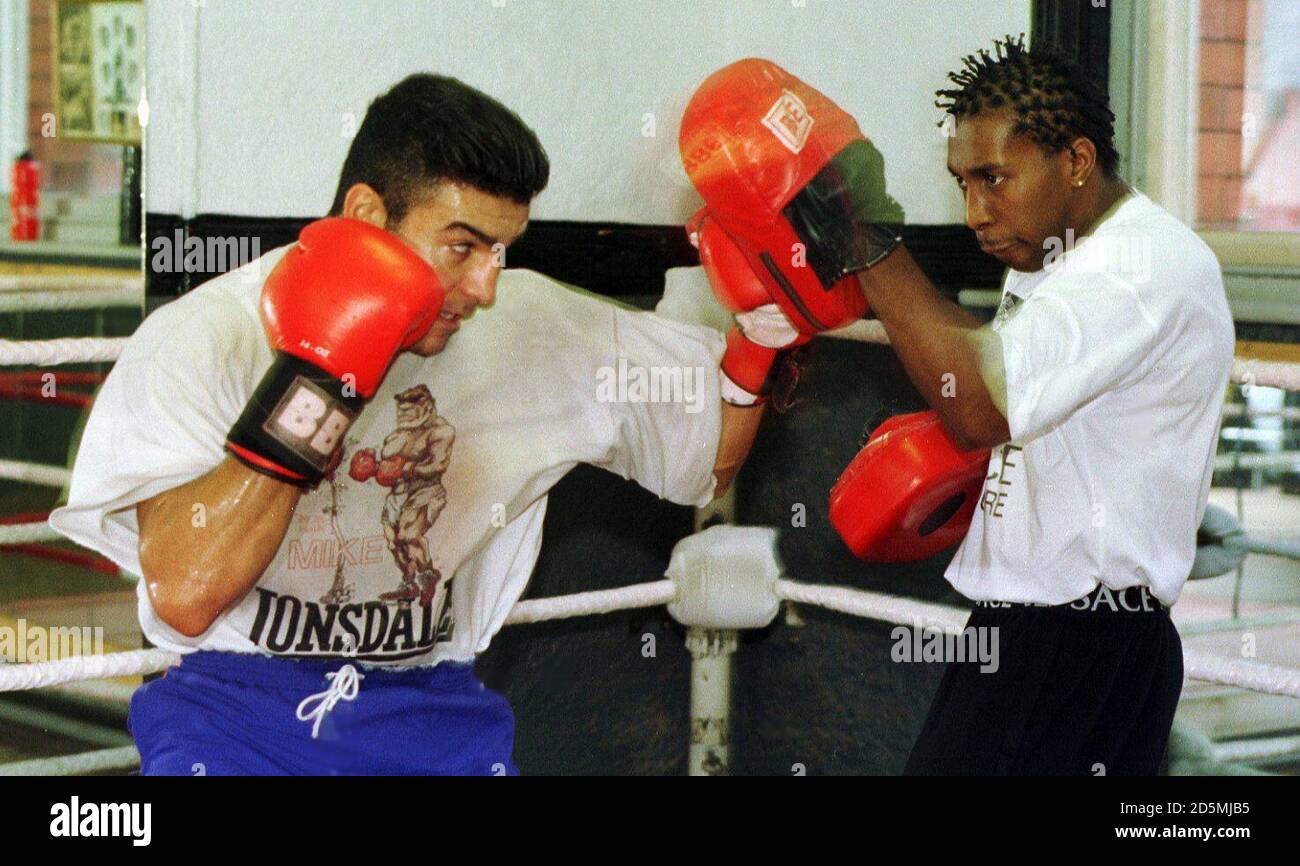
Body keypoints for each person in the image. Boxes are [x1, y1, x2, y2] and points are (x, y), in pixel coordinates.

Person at [50, 73, 771, 775]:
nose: (485, 287)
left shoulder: (532, 327)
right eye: (461, 246)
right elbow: (183, 592)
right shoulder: (207, 338)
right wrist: (319, 378)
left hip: (433, 712)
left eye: (501, 251)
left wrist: (766, 337)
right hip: (236, 711)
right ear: (367, 218)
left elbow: (707, 461)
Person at [677, 41, 1234, 775]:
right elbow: (995, 386)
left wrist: (863, 236)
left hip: (1085, 647)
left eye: (994, 178)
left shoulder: (1138, 269)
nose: (974, 212)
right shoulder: (1058, 258)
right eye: (962, 183)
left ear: (1075, 160)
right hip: (1031, 633)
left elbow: (980, 407)